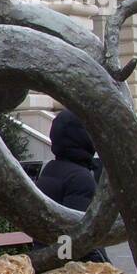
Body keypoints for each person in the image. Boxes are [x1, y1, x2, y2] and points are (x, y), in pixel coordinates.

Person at [35, 109, 109, 262]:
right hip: (73, 270)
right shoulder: (79, 177)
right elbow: (78, 234)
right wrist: (103, 265)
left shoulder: (51, 168)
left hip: (47, 259)